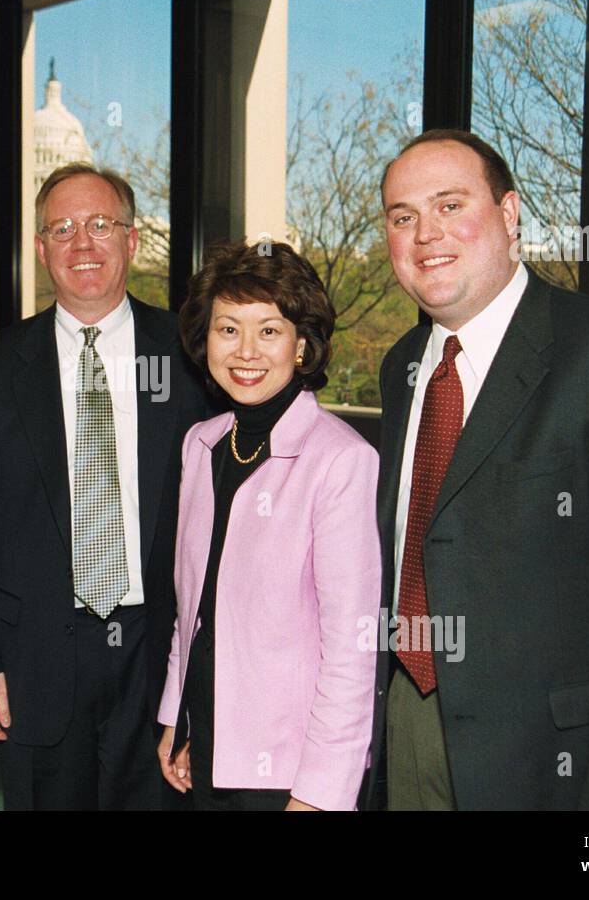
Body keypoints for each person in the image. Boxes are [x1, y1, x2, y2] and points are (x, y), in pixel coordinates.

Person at [370, 128, 589, 809]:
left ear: (508, 215)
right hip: (406, 733)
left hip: (555, 768)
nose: (425, 234)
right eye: (402, 216)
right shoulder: (400, 369)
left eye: (449, 205)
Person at [0, 163, 213, 809]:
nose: (83, 244)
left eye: (101, 224)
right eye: (62, 229)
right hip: (34, 656)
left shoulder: (188, 354)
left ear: (131, 240)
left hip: (158, 658)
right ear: (40, 250)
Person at [155, 241, 380, 811]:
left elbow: (352, 649)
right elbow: (193, 609)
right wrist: (175, 718)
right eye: (228, 329)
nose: (246, 351)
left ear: (302, 346)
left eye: (269, 331)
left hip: (289, 773)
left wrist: (319, 793)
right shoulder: (201, 445)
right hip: (205, 750)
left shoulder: (340, 459)